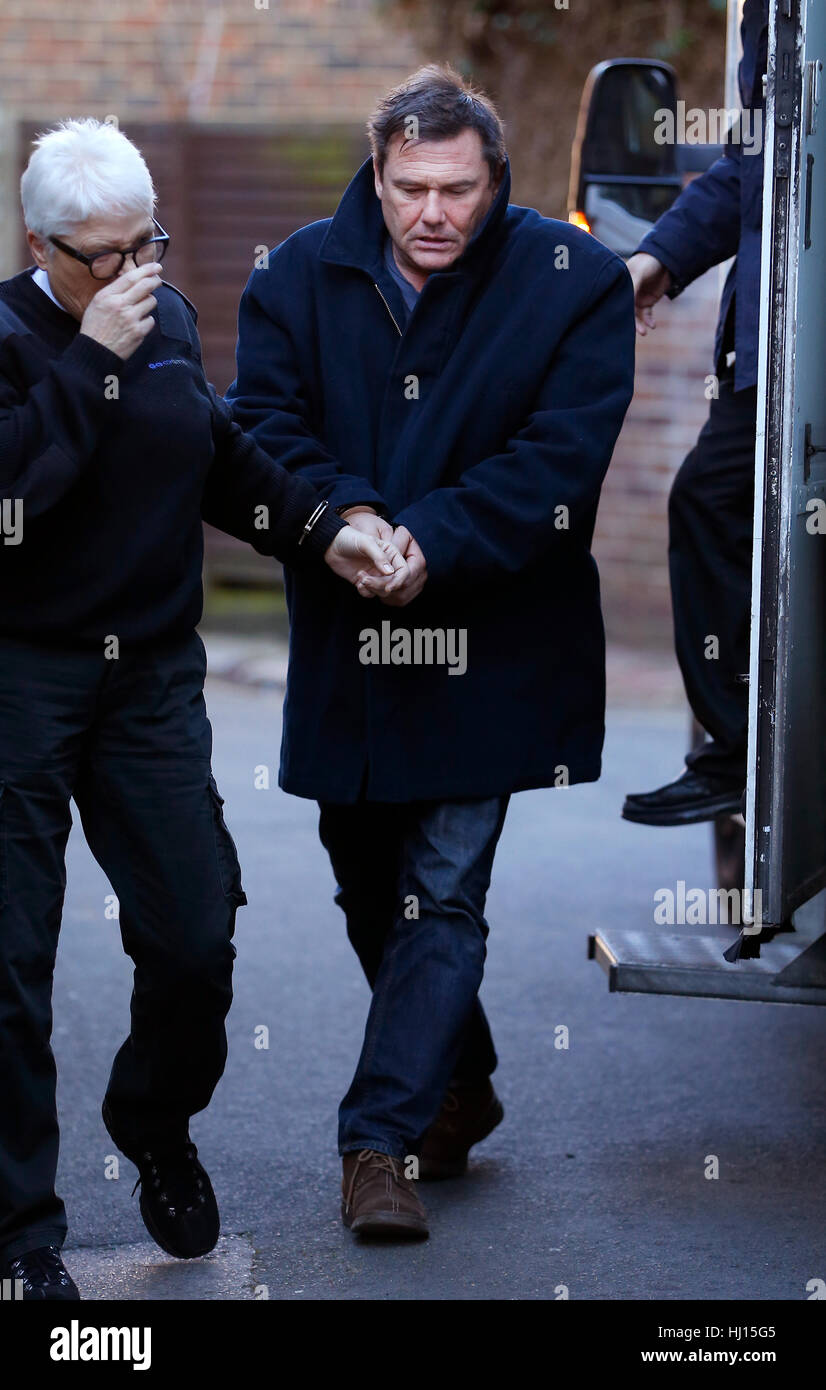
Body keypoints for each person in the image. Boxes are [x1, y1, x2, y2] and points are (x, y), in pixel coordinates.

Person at [0, 118, 407, 1300]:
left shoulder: (165, 319)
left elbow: (218, 457)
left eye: (150, 246)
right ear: (40, 244)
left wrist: (328, 531)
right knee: (12, 959)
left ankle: (153, 1116)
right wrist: (87, 360)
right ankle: (24, 1233)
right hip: (22, 671)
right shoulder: (20, 335)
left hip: (150, 678)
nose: (133, 276)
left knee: (193, 934)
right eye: (101, 255)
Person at [227, 64, 635, 1238]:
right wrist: (349, 521)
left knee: (440, 891)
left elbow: (559, 461)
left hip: (492, 643)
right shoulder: (297, 274)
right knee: (371, 885)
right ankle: (463, 1081)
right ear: (377, 171)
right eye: (410, 187)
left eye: (458, 188)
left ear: (496, 179)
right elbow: (263, 427)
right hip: (350, 641)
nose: (433, 213)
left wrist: (430, 540)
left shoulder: (574, 282)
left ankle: (377, 1143)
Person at [622, 0, 768, 828]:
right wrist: (661, 258)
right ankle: (739, 753)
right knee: (713, 505)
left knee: (710, 502)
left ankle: (740, 754)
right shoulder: (774, 20)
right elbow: (753, 163)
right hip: (773, 356)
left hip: (796, 353)